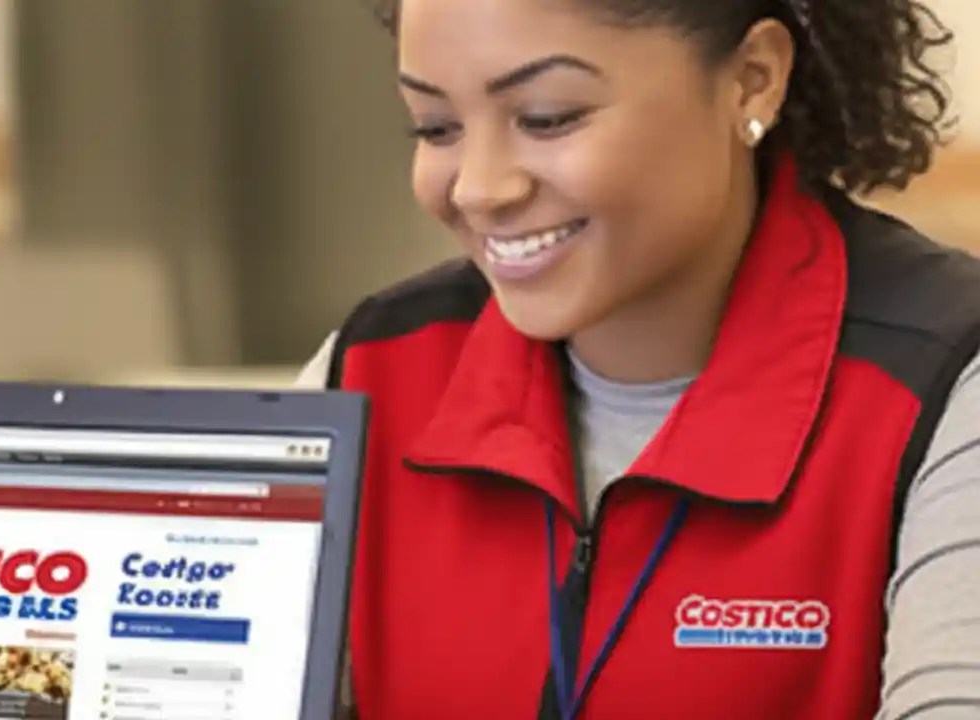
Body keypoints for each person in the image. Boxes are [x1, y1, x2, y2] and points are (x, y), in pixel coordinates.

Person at [294, 0, 980, 718]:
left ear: (752, 79)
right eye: (437, 128)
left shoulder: (942, 381)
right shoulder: (369, 370)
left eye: (548, 117)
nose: (478, 188)